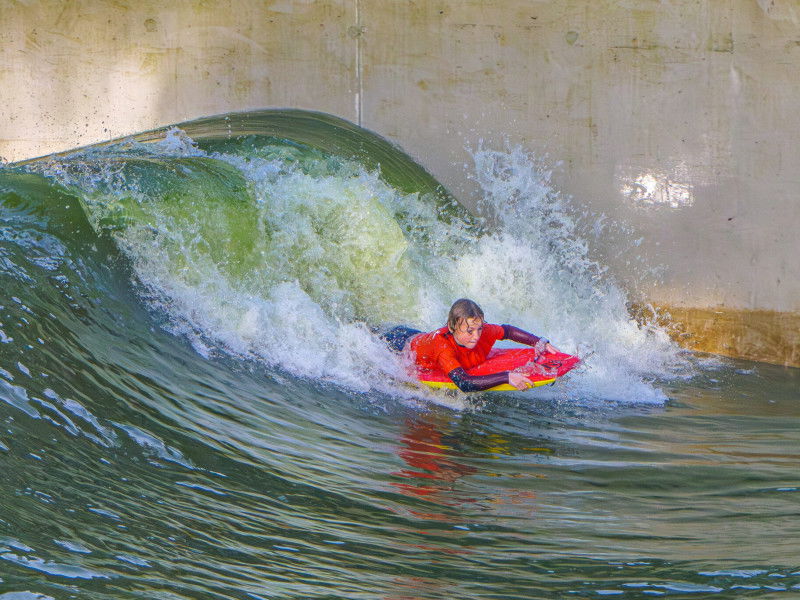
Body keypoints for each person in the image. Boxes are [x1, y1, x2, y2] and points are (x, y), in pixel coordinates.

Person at [382, 298, 561, 392]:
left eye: (479, 329)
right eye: (469, 331)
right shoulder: (443, 348)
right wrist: (506, 377)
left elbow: (507, 331)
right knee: (374, 332)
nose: (476, 337)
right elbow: (464, 383)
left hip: (422, 338)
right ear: (452, 327)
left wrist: (539, 342)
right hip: (399, 342)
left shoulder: (480, 330)